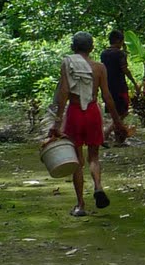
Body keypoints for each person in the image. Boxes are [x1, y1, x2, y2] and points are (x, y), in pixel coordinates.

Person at [48, 32, 123, 216]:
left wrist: (57, 121)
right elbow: (107, 96)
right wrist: (117, 121)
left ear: (74, 47)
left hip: (75, 113)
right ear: (91, 48)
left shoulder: (68, 63)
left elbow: (64, 92)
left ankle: (80, 205)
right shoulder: (99, 67)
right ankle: (98, 186)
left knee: (76, 162)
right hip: (92, 113)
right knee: (94, 157)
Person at [98, 30, 136, 146]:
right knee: (123, 112)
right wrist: (134, 82)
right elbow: (125, 69)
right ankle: (106, 133)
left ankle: (118, 139)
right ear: (118, 41)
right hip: (119, 86)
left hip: (107, 86)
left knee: (115, 112)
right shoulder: (120, 54)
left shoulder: (104, 54)